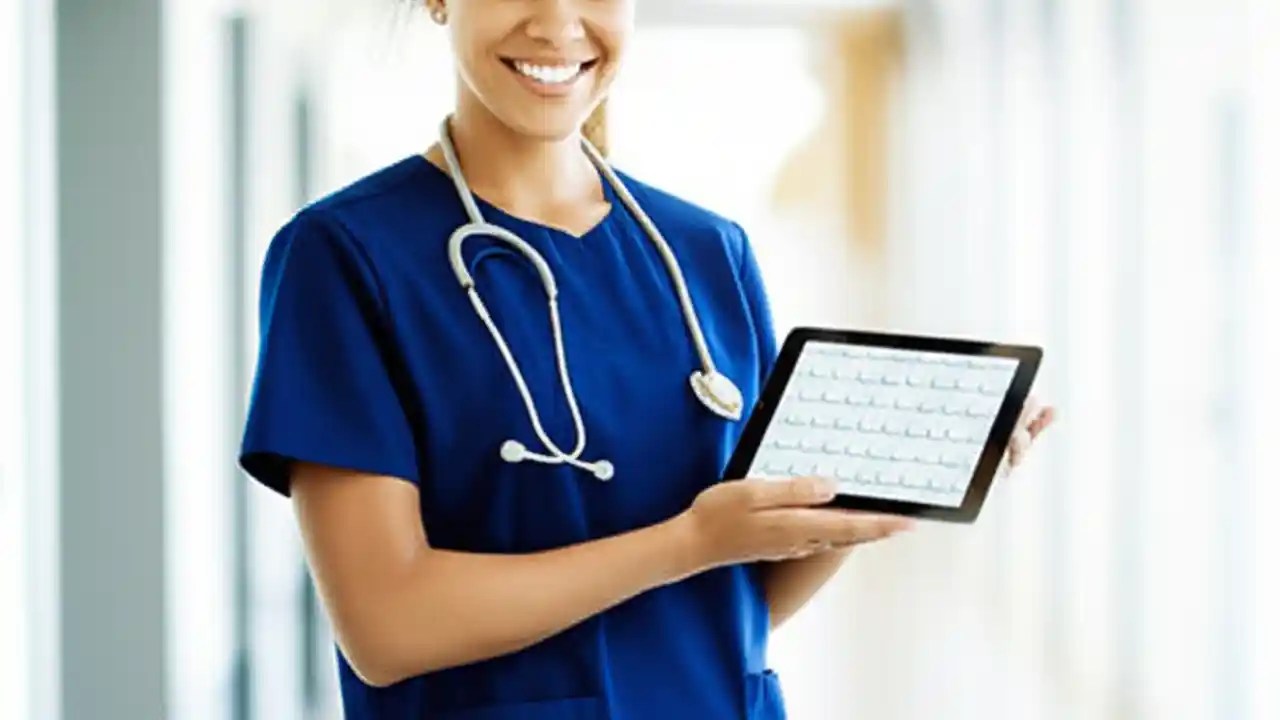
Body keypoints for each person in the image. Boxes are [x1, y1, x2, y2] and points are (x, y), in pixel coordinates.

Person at [237, 1, 1057, 718]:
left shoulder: (706, 254)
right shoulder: (346, 256)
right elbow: (388, 626)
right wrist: (686, 542)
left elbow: (737, 601)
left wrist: (875, 493)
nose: (558, 22)